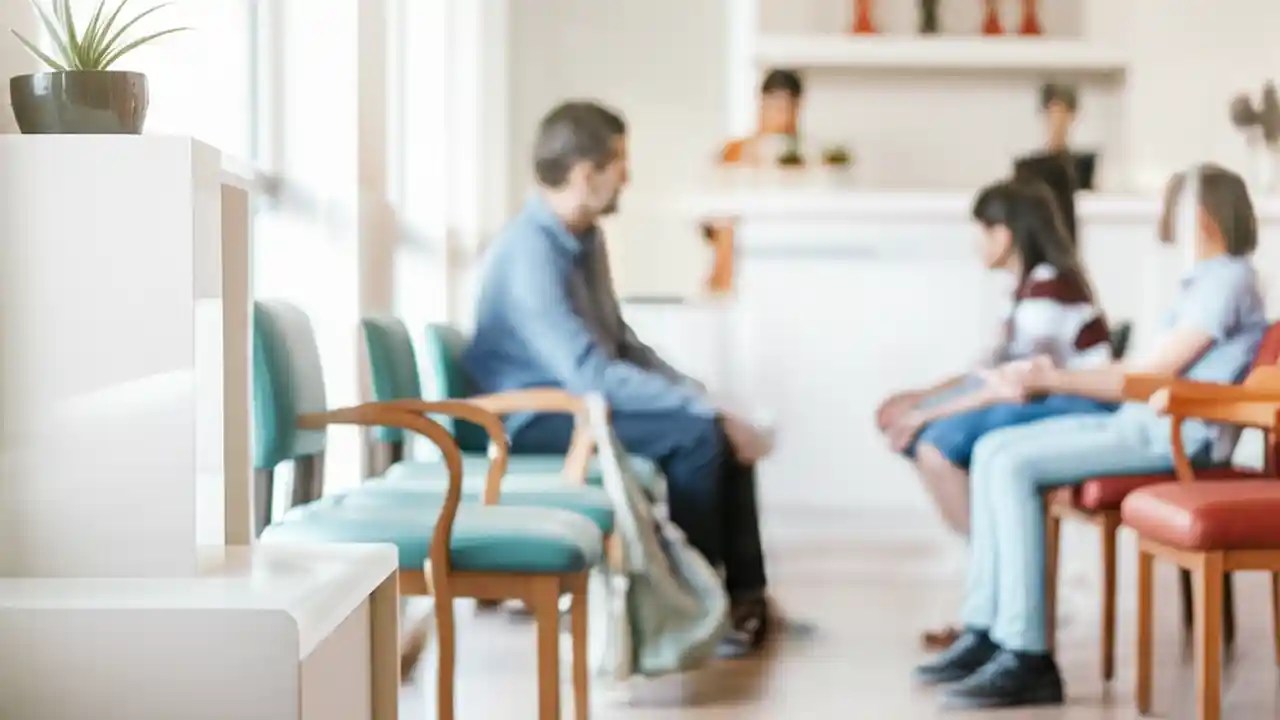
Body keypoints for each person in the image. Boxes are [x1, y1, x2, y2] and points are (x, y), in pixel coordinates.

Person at [915, 164, 1268, 710]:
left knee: (1009, 463)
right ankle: (987, 628)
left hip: (1176, 436)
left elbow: (1155, 376)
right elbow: (1148, 369)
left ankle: (1027, 655)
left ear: (1200, 218)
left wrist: (1051, 377)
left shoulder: (1225, 279)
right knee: (992, 450)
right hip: (1144, 424)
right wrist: (1046, 375)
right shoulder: (1205, 281)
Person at [464, 100, 774, 654]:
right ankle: (695, 609)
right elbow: (589, 373)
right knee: (700, 435)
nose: (628, 176)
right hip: (535, 420)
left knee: (712, 424)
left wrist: (697, 394)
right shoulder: (530, 252)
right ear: (588, 174)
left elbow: (621, 344)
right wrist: (704, 414)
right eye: (620, 163)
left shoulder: (584, 240)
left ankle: (745, 599)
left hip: (583, 405)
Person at [878, 179, 1114, 538]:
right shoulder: (1025, 292)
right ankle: (990, 557)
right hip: (1043, 397)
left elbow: (1018, 385)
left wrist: (928, 412)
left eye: (981, 232)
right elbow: (988, 372)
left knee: (937, 444)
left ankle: (989, 558)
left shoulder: (1049, 290)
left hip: (1077, 403)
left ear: (1003, 236)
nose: (976, 244)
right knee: (915, 429)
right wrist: (920, 398)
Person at [705, 69, 805, 293]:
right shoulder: (735, 152)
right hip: (736, 258)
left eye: (788, 107)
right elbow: (715, 216)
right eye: (774, 106)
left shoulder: (805, 156)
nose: (782, 116)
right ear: (761, 104)